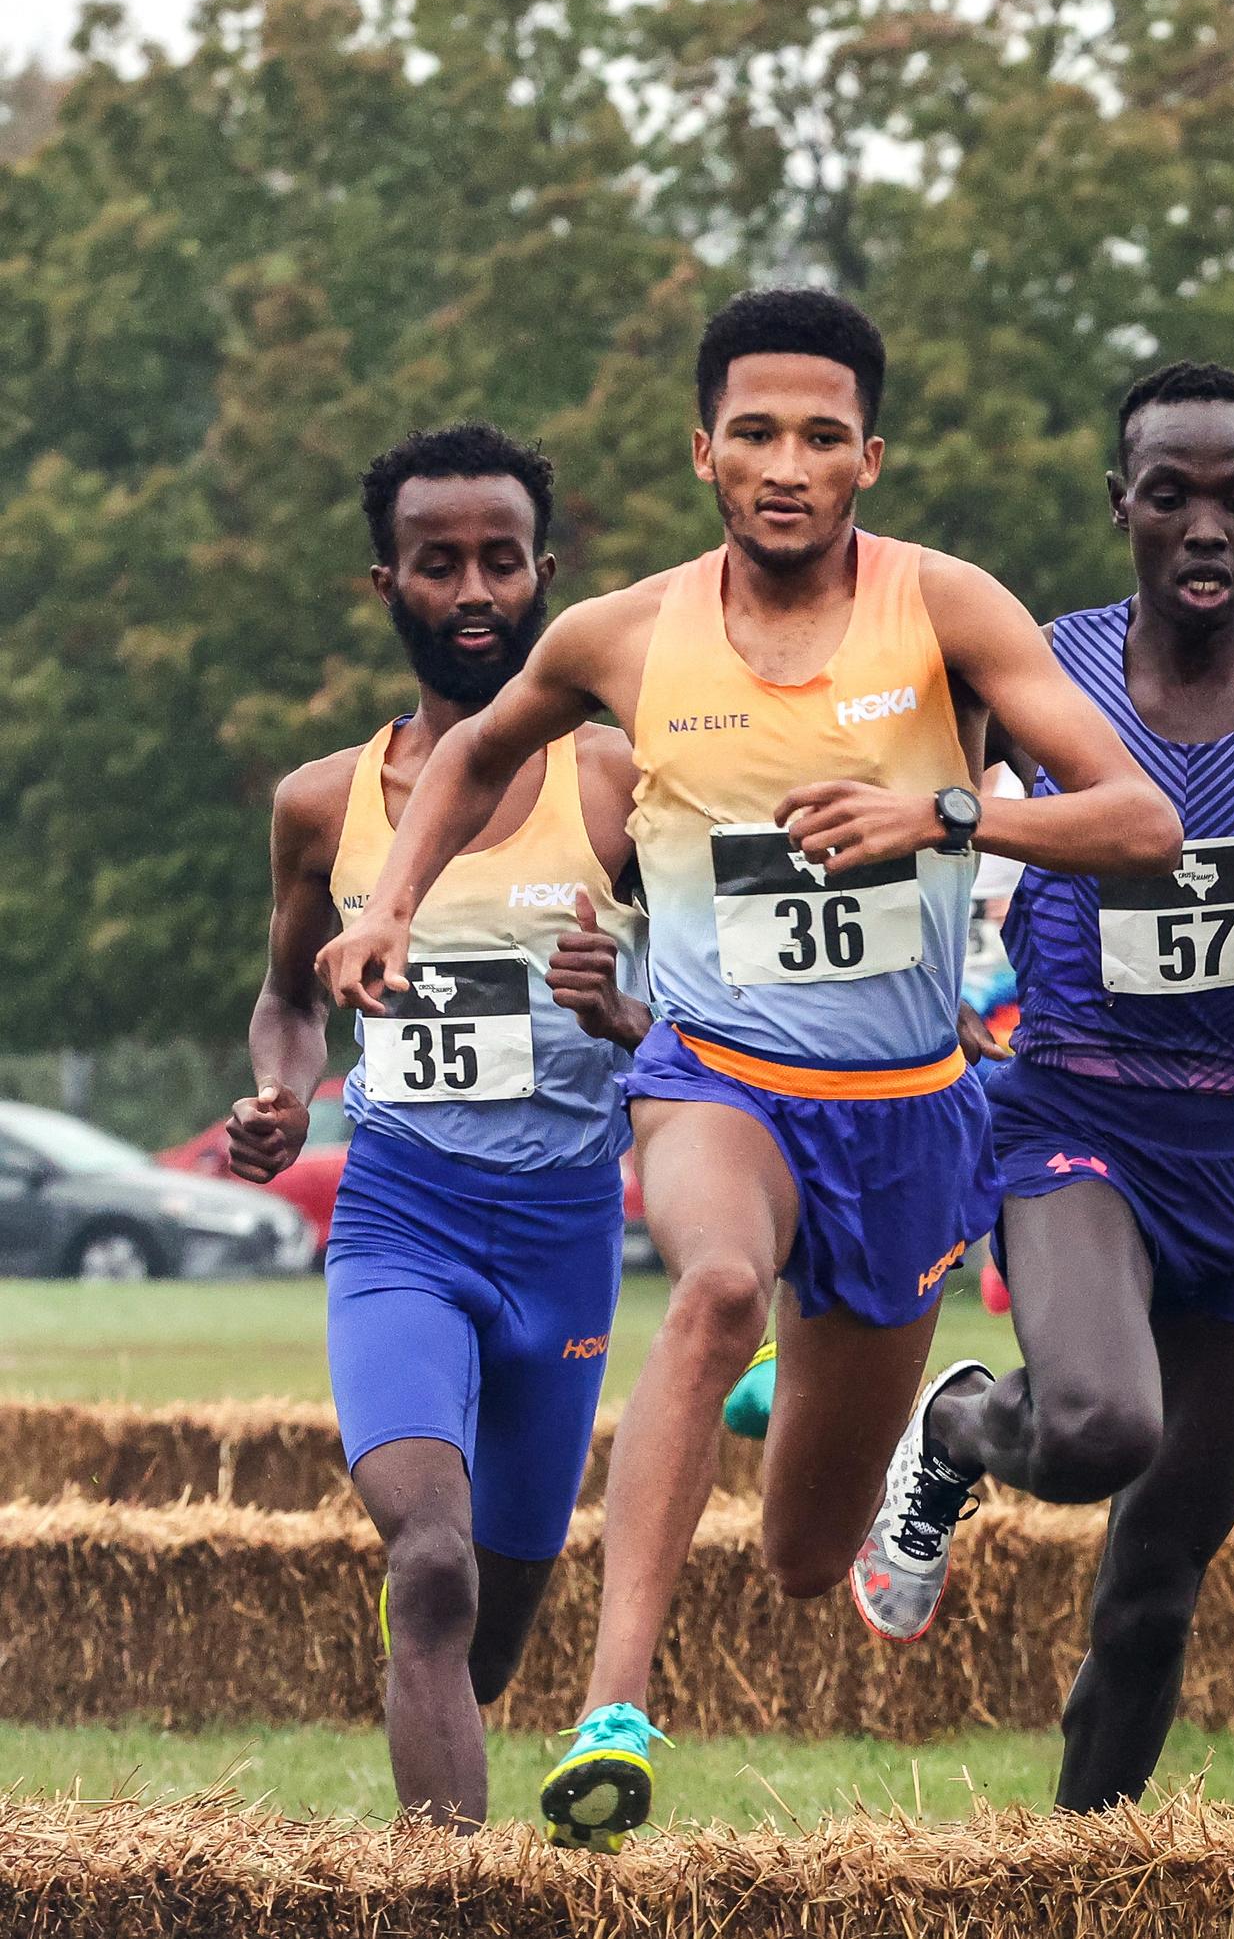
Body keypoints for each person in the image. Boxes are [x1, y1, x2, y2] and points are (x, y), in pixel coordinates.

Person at [313, 287, 1185, 1851]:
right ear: (703, 449)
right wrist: (385, 906)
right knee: (715, 1286)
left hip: (907, 1115)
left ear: (869, 458)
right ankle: (615, 1711)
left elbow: (1141, 822)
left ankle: (915, 1434)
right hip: (716, 1076)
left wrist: (944, 814)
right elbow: (475, 751)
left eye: (823, 437)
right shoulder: (621, 634)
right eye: (757, 434)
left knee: (799, 1554)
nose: (788, 465)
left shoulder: (948, 610)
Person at [851, 362, 1234, 1812]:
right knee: (1094, 1428)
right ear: (1119, 504)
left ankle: (1088, 1871)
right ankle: (958, 1426)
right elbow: (922, 845)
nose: (1204, 526)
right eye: (1169, 495)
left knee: (1154, 1586)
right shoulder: (1039, 667)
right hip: (1080, 1116)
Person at [225, 423, 648, 1829]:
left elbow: (714, 1006)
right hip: (401, 1221)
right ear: (387, 582)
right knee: (431, 1561)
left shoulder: (617, 782)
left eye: (501, 560)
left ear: (544, 577)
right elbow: (289, 1000)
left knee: (495, 1624)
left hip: (565, 1239)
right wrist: (284, 1093)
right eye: (438, 562)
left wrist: (624, 1013)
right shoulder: (320, 805)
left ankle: (446, 1774)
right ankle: (445, 1892)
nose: (473, 591)